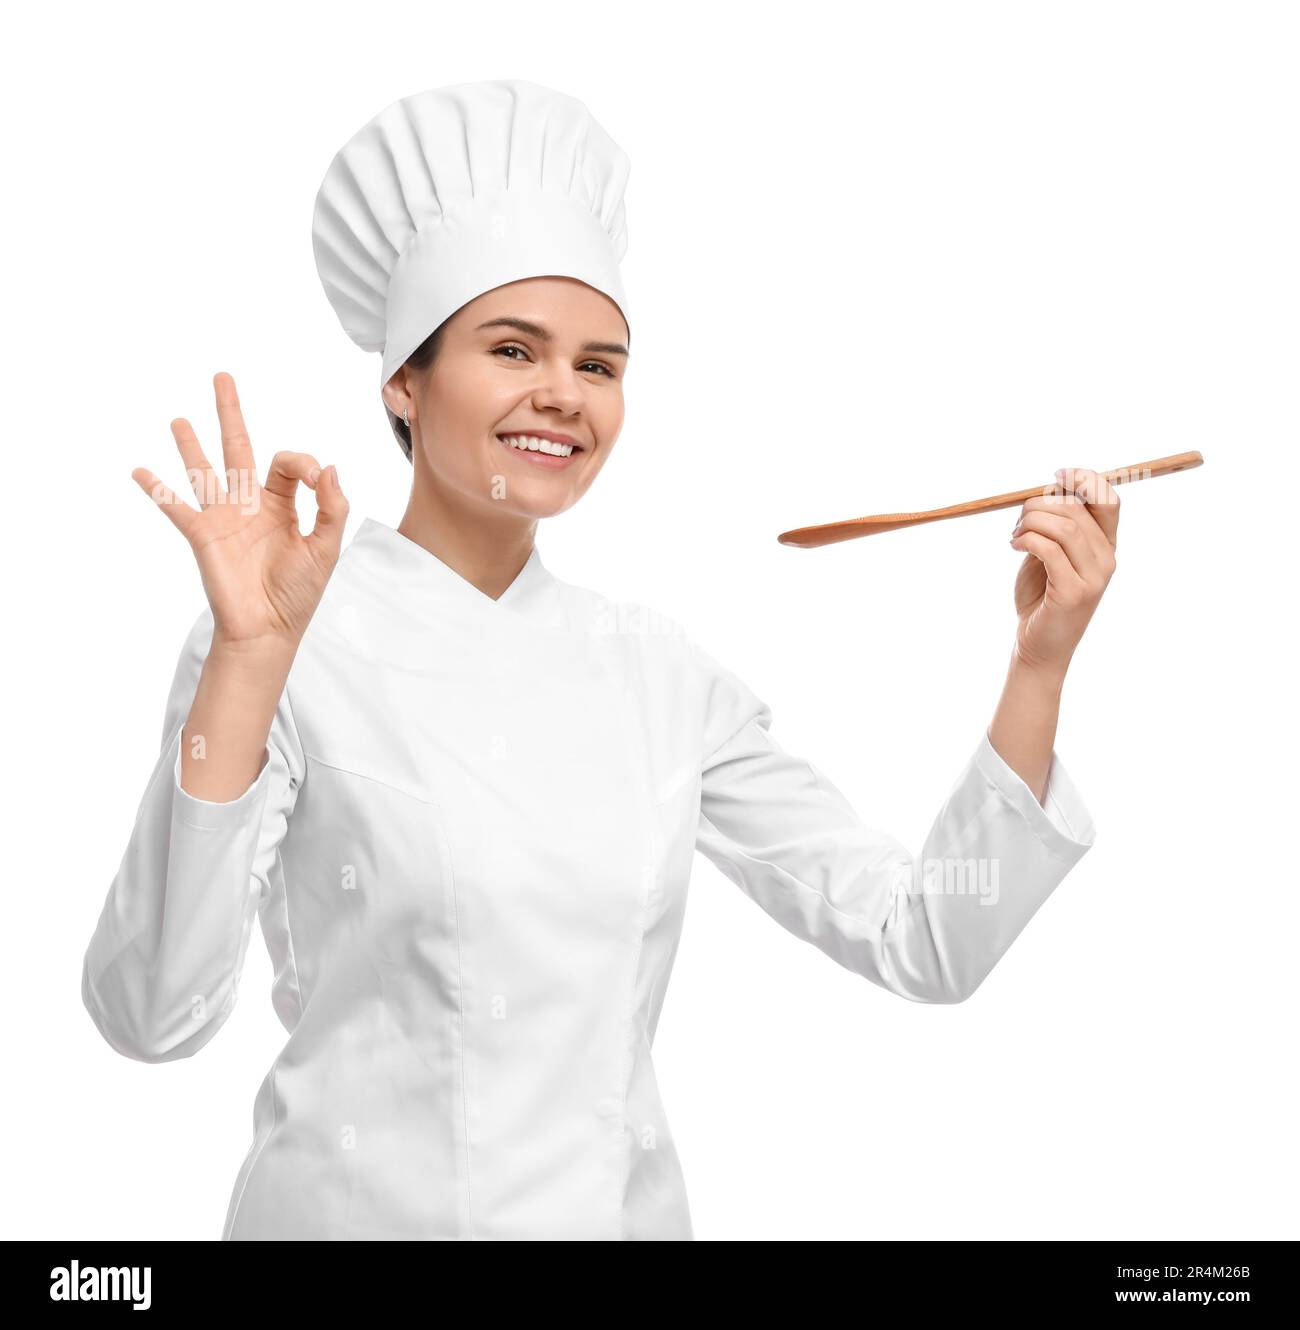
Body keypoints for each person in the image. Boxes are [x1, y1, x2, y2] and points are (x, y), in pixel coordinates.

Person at [80, 79, 1118, 1241]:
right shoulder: (281, 637)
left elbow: (926, 937)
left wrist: (1040, 662)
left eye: (600, 364)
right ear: (403, 383)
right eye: (513, 348)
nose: (562, 396)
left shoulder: (656, 675)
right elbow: (150, 1012)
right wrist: (246, 660)